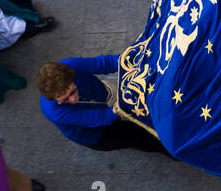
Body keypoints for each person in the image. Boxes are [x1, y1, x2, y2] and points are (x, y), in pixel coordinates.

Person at [36, 57, 164, 152]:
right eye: (65, 100)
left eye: (73, 91)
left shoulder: (70, 66)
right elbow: (101, 117)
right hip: (95, 133)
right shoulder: (55, 112)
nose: (74, 99)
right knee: (137, 136)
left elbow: (106, 63)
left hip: (106, 95)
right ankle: (167, 148)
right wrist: (130, 101)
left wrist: (134, 60)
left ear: (71, 78)